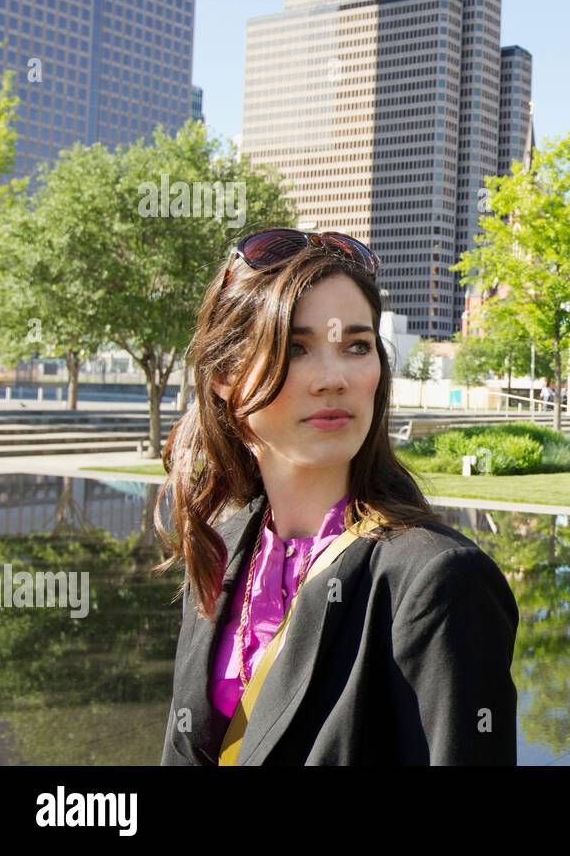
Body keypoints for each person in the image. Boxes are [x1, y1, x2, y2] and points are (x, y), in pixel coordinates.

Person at [155, 228, 518, 765]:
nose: (334, 378)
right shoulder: (218, 550)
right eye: (296, 348)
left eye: (356, 346)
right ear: (225, 376)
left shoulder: (437, 582)